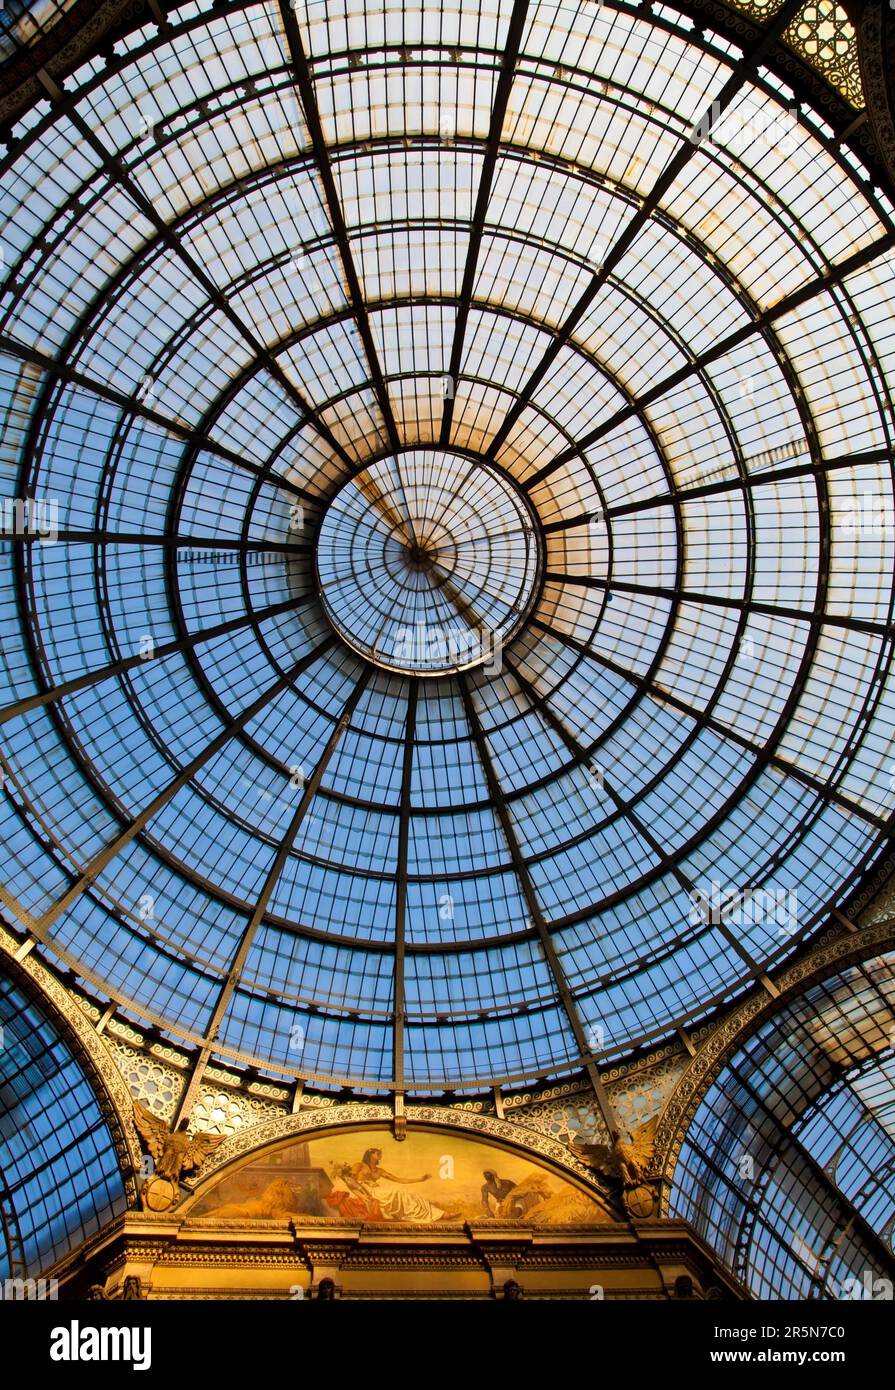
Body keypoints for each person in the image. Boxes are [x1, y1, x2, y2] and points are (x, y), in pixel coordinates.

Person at [350, 1148, 445, 1222]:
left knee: (409, 1192)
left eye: (380, 1154)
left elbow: (399, 1180)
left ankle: (435, 1214)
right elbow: (350, 1181)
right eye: (378, 1153)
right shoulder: (359, 1165)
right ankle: (431, 1214)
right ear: (370, 1154)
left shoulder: (379, 1170)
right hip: (366, 1190)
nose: (380, 1155)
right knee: (397, 1192)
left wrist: (420, 1179)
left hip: (377, 1190)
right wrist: (361, 1194)